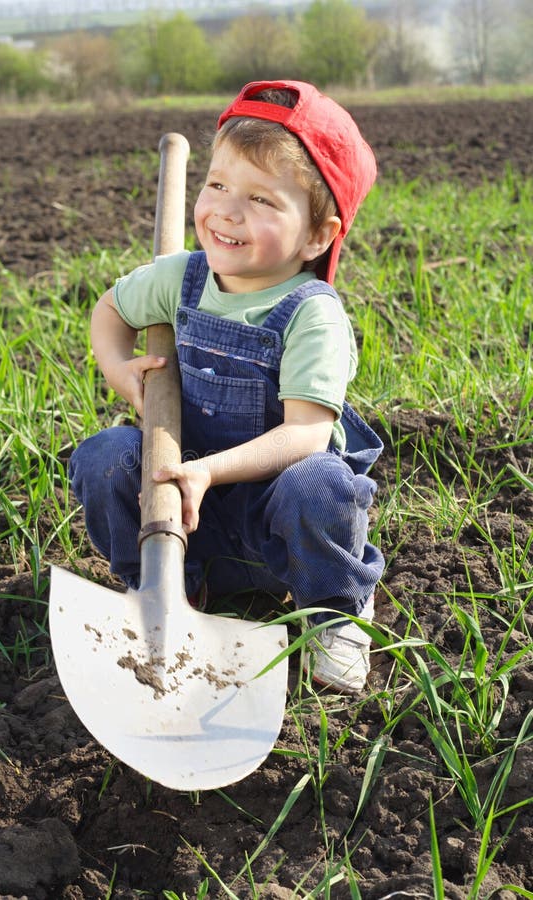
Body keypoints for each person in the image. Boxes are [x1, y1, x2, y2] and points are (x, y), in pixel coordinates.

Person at [69, 80, 384, 693]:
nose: (227, 211)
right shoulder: (181, 277)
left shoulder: (311, 314)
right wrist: (118, 368)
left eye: (263, 199)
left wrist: (208, 470)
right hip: (186, 519)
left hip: (279, 527)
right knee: (104, 458)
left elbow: (306, 434)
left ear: (318, 236)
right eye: (217, 185)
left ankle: (334, 610)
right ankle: (160, 591)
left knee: (321, 484)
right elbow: (110, 311)